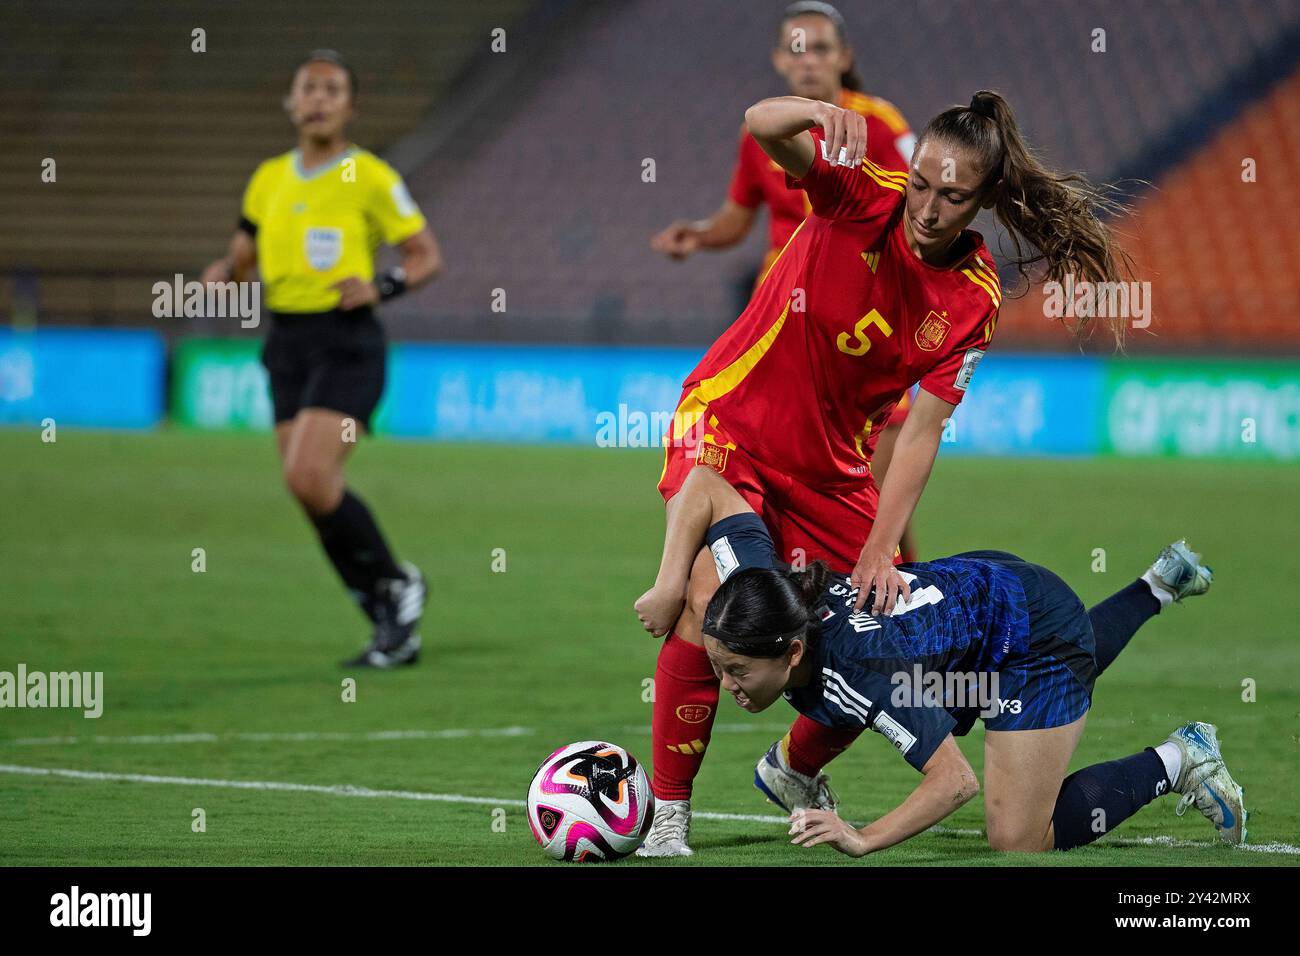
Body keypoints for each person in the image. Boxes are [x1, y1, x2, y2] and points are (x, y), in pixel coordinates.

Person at [635, 87, 1133, 856]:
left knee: (874, 628)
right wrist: (810, 108)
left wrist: (879, 545)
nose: (928, 208)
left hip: (831, 468)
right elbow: (758, 125)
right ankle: (670, 810)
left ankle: (795, 769)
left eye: (954, 196)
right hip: (731, 419)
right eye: (925, 184)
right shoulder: (861, 191)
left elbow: (925, 432)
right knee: (711, 604)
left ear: (984, 200)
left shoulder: (973, 299)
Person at [663, 464, 1242, 856]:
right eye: (719, 667)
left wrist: (862, 838)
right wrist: (669, 586)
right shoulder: (762, 597)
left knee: (1016, 836)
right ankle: (1158, 586)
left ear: (792, 652)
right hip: (982, 594)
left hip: (1031, 635)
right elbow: (707, 482)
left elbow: (953, 782)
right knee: (1014, 678)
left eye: (737, 671)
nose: (727, 684)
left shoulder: (869, 674)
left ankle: (1180, 757)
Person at [650, 1, 921, 562]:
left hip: (857, 322)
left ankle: (898, 580)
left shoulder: (881, 125)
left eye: (820, 48)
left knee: (876, 471)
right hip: (778, 324)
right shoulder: (762, 133)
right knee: (768, 463)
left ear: (844, 57)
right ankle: (771, 592)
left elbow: (918, 213)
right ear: (779, 59)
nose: (808, 61)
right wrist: (699, 235)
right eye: (796, 49)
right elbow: (736, 218)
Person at [201, 50, 443, 668]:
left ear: (350, 106)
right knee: (310, 491)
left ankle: (394, 584)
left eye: (332, 89)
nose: (317, 98)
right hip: (286, 344)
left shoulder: (370, 176)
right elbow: (243, 252)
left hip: (347, 342)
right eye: (307, 88)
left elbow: (425, 255)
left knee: (308, 476)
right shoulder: (268, 179)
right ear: (290, 103)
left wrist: (382, 286)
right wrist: (226, 272)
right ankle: (385, 609)